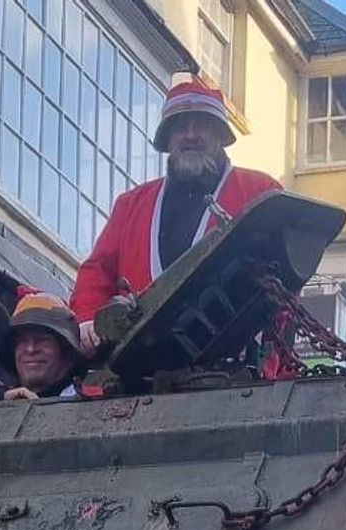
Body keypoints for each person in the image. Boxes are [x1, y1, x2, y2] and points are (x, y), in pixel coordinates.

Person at [70, 78, 282, 353]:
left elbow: (284, 280)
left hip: (232, 359)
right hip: (136, 364)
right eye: (181, 127)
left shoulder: (261, 192)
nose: (191, 135)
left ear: (220, 135)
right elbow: (96, 272)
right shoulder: (131, 205)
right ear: (168, 139)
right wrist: (88, 319)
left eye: (202, 125)